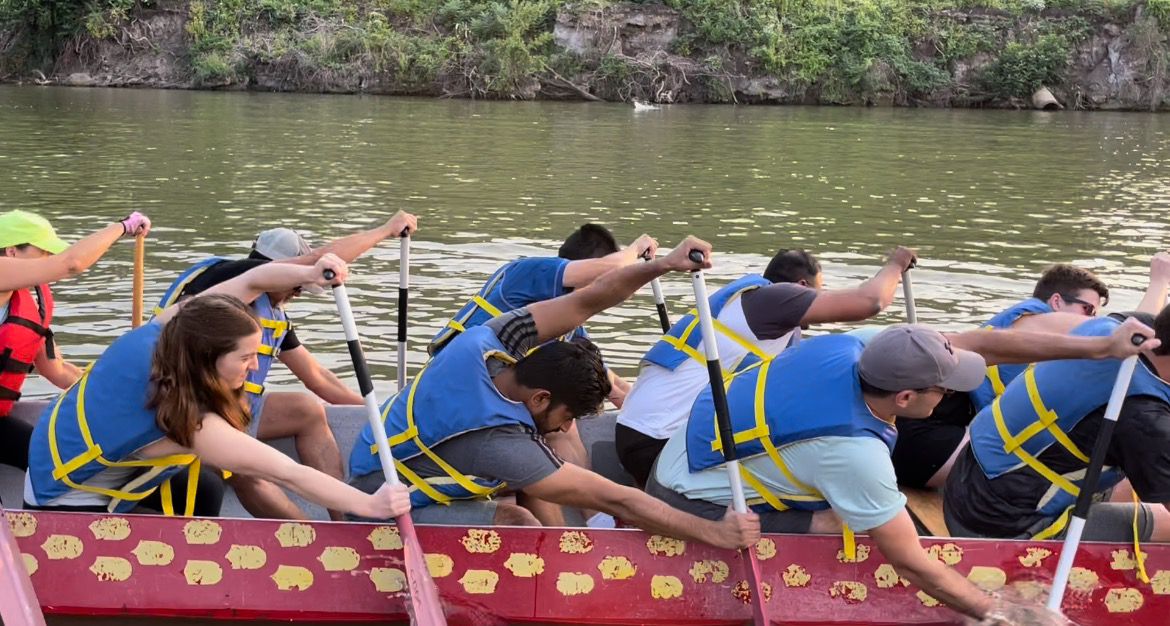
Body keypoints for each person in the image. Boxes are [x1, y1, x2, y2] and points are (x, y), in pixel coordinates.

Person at [648, 319, 1155, 621]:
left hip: (695, 450)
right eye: (945, 387)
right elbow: (910, 561)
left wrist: (1098, 347)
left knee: (868, 512)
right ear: (907, 397)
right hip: (686, 497)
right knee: (851, 527)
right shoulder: (852, 451)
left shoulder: (860, 347)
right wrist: (997, 612)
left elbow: (987, 343)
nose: (953, 392)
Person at [346, 236, 760, 551]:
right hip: (378, 495)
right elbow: (620, 500)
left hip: (391, 454)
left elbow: (589, 300)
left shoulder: (489, 340)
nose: (566, 427)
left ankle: (565, 549)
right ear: (541, 398)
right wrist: (715, 532)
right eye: (567, 416)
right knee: (518, 520)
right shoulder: (497, 441)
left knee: (529, 480)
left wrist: (665, 265)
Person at [24, 254, 411, 520]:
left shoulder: (168, 330)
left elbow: (252, 279)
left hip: (61, 458)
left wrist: (309, 272)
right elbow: (288, 473)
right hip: (62, 500)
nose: (256, 366)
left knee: (208, 490)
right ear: (208, 357)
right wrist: (371, 505)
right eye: (245, 358)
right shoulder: (190, 422)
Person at [155, 211, 417, 520]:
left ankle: (343, 522)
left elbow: (317, 377)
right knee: (247, 467)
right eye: (295, 285)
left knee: (305, 409)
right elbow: (319, 259)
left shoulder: (274, 314)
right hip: (185, 413)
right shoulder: (229, 278)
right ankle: (308, 535)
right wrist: (386, 230)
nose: (298, 291)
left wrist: (379, 412)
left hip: (232, 410)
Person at [614, 246, 916, 487]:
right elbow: (870, 302)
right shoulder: (774, 299)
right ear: (801, 287)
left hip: (635, 433)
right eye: (819, 290)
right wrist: (895, 263)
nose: (823, 298)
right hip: (658, 445)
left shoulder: (761, 313)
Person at [891, 255, 1170, 489]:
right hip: (926, 443)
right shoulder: (1034, 317)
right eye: (1088, 310)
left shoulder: (1024, 326)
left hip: (929, 433)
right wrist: (1159, 283)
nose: (1094, 322)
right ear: (1057, 302)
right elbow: (1135, 334)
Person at [945, 308, 1170, 544]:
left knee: (1141, 476)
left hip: (967, 481)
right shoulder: (1144, 418)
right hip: (1003, 525)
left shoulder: (1120, 328)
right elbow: (1150, 432)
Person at [428, 223, 657, 408]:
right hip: (454, 381)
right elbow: (611, 268)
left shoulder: (571, 324)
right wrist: (637, 248)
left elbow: (611, 383)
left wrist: (648, 412)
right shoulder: (531, 272)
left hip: (489, 393)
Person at [0, 210, 150, 477]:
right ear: (11, 252)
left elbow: (57, 370)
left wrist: (120, 393)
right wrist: (124, 227)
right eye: (44, 252)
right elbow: (71, 263)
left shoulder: (26, 303)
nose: (49, 260)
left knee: (50, 459)